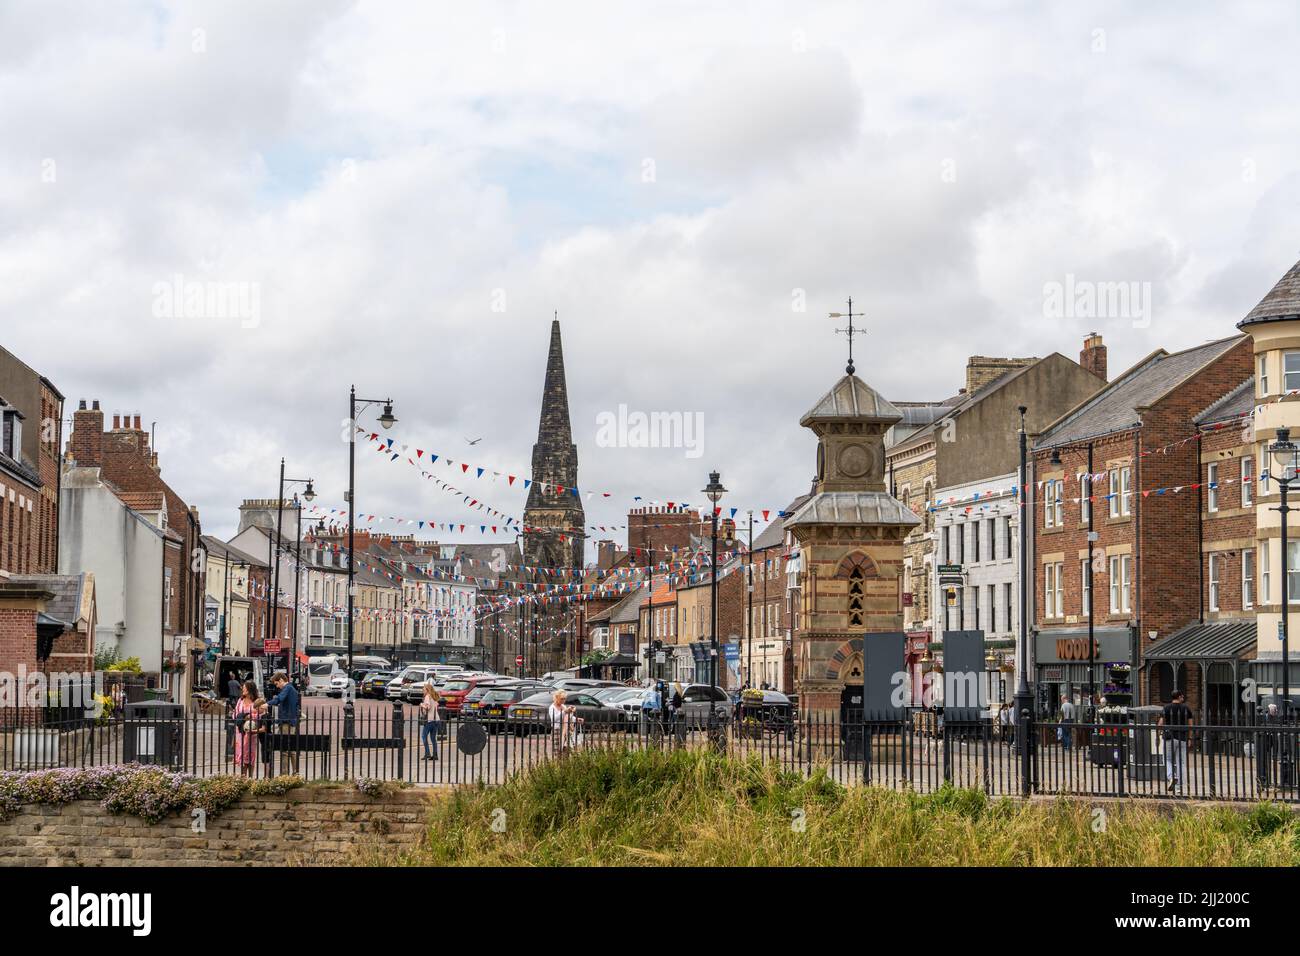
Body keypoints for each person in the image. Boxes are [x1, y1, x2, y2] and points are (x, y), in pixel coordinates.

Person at [261, 671, 301, 774]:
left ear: (281, 680)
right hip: (290, 721)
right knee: (291, 749)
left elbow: (279, 698)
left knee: (285, 750)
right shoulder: (292, 689)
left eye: (277, 683)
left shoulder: (287, 688)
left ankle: (284, 774)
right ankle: (296, 772)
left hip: (286, 722)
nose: (277, 686)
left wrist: (268, 704)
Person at [1158, 690, 1193, 793]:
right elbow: (1191, 725)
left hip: (1169, 737)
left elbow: (1160, 724)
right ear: (1179, 697)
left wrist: (1160, 733)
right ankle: (1178, 788)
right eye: (1182, 696)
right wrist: (1190, 738)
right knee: (1181, 762)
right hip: (1182, 738)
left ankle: (1171, 776)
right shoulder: (1186, 708)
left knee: (1167, 759)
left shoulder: (1166, 708)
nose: (1183, 698)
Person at [232, 680, 261, 777]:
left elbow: (260, 715)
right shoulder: (240, 701)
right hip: (240, 732)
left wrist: (251, 717)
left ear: (249, 689)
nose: (242, 689)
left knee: (250, 754)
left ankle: (250, 777)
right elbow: (234, 714)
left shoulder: (256, 701)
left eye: (244, 687)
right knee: (242, 753)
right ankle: (243, 777)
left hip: (251, 732)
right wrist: (242, 717)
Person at [419, 682, 441, 761]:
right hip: (436, 720)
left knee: (424, 736)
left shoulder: (427, 696)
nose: (422, 690)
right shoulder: (433, 697)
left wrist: (421, 705)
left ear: (427, 690)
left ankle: (427, 753)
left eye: (424, 689)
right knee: (433, 738)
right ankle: (435, 755)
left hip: (429, 720)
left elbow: (428, 707)